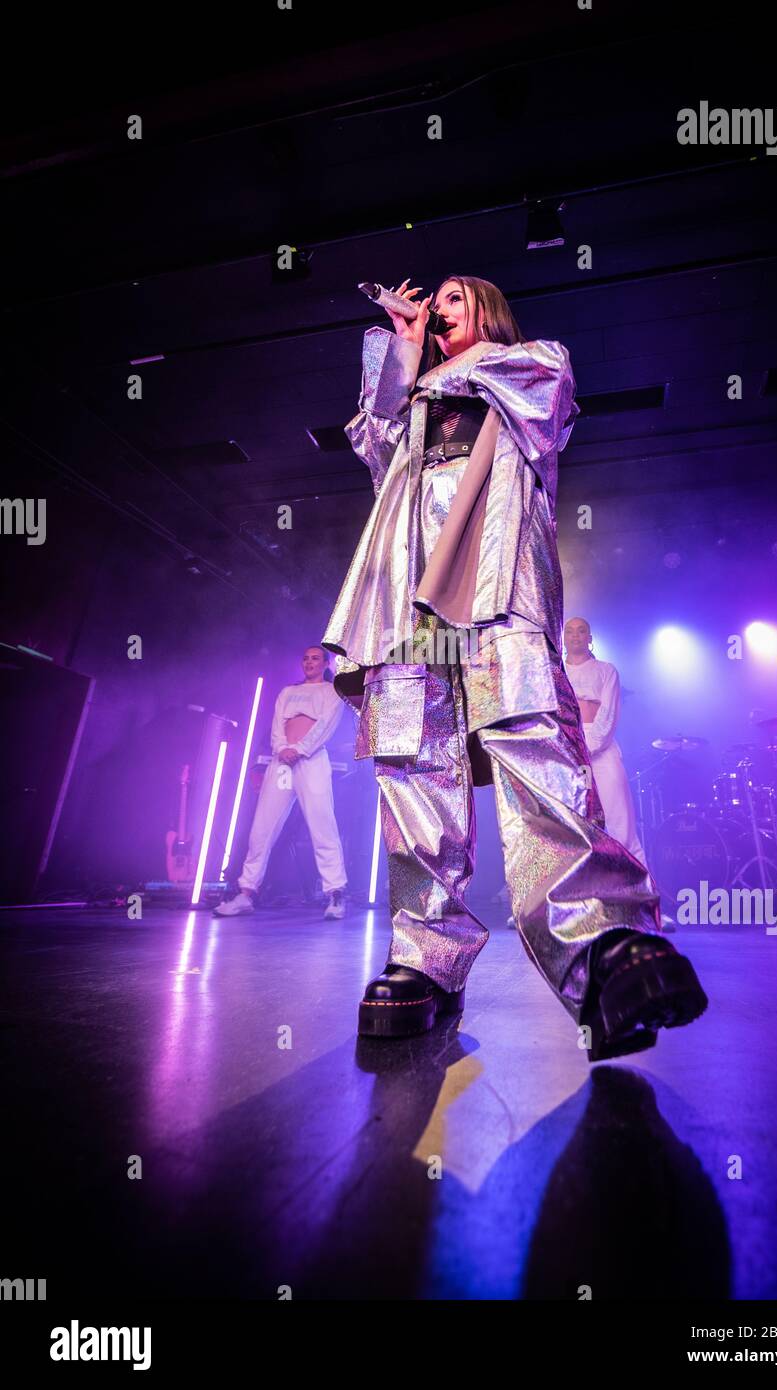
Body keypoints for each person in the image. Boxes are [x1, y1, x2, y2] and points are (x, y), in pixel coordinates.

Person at [322, 274, 706, 1060]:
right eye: (436, 297)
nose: (439, 304)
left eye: (457, 295)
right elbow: (374, 439)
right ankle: (425, 962)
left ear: (489, 310)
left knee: (537, 752)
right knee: (414, 770)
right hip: (404, 602)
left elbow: (542, 391)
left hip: (498, 587)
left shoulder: (532, 362)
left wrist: (430, 364)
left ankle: (603, 946)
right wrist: (396, 347)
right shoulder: (411, 390)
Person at [215, 646, 348, 919]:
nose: (309, 663)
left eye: (315, 658)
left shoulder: (331, 691)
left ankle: (335, 895)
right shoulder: (287, 692)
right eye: (305, 658)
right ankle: (246, 893)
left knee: (322, 825)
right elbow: (277, 725)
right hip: (283, 761)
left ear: (325, 663)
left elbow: (326, 725)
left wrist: (300, 749)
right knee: (262, 827)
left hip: (310, 760)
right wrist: (282, 749)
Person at [563, 617, 648, 865]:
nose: (575, 635)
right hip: (567, 749)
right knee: (573, 820)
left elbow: (608, 715)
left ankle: (638, 891)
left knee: (619, 820)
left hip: (600, 750)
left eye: (581, 631)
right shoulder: (556, 671)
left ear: (590, 638)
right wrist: (567, 747)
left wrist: (586, 747)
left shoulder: (606, 670)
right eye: (569, 631)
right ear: (563, 638)